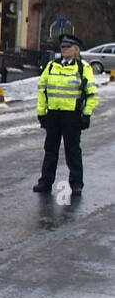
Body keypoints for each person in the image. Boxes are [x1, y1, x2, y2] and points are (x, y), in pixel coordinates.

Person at [34, 34, 99, 195]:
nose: (64, 50)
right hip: (54, 115)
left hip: (72, 116)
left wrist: (86, 114)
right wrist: (42, 113)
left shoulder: (83, 68)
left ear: (76, 50)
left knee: (72, 151)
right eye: (62, 47)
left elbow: (92, 94)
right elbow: (42, 90)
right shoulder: (51, 66)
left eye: (68, 47)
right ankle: (46, 182)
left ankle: (76, 183)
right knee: (50, 150)